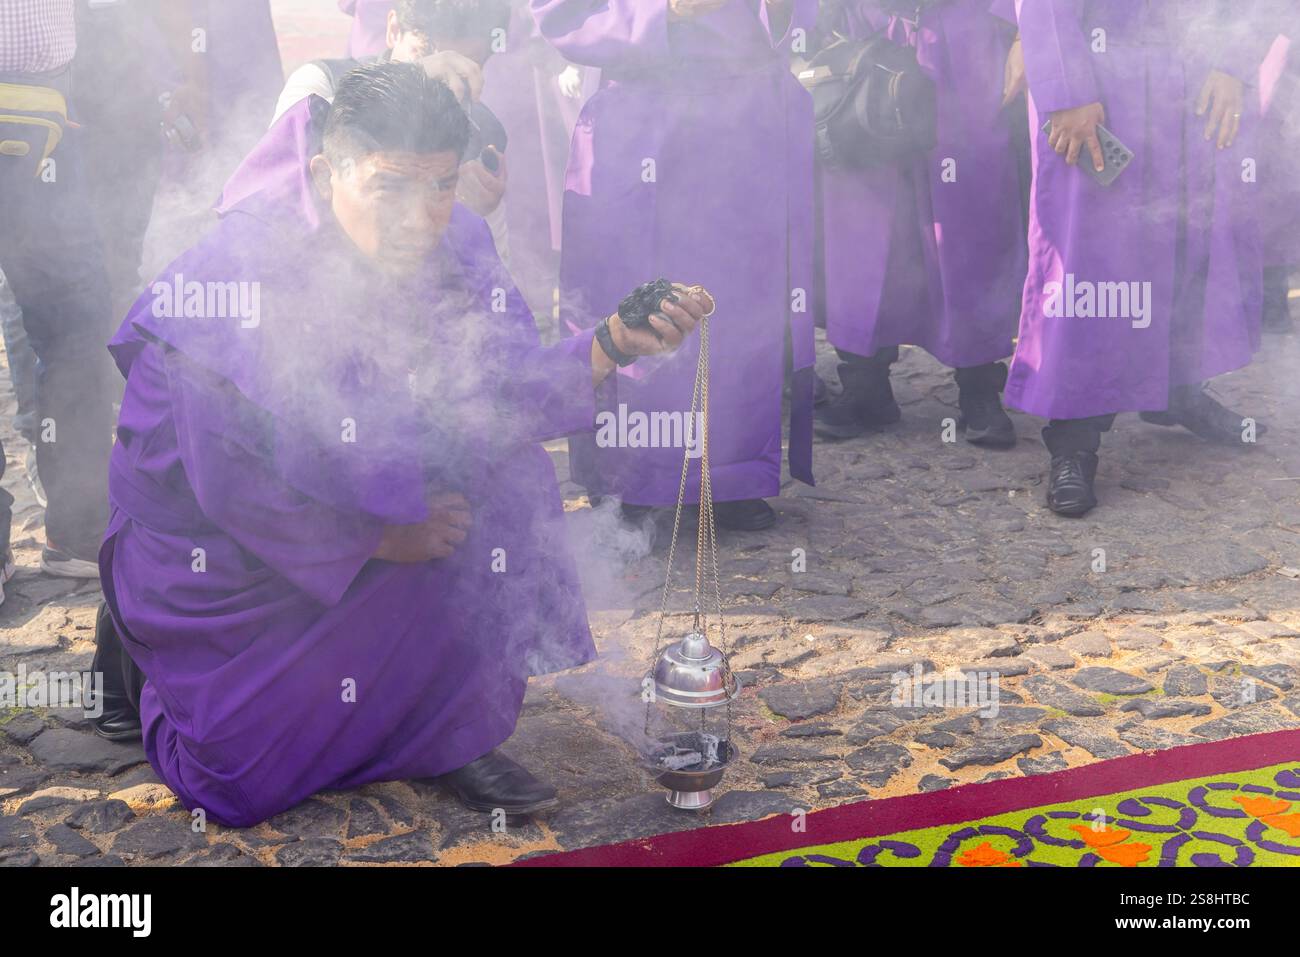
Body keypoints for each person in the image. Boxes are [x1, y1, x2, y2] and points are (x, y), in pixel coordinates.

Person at [90, 62, 710, 826]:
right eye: (389, 187)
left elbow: (499, 392)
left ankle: (450, 731)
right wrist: (376, 537)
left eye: (441, 186)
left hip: (360, 489)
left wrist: (614, 341)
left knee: (504, 482)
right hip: (220, 555)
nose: (420, 216)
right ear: (326, 172)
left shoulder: (459, 244)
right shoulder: (238, 274)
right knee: (238, 782)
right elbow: (230, 487)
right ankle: (146, 675)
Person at [533, 0, 818, 532]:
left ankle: (730, 474)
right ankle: (632, 477)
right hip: (639, 114)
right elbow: (558, 11)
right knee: (635, 296)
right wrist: (666, 9)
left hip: (745, 117)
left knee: (741, 300)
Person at [1008, 0, 1273, 517]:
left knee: (1189, 241)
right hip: (1098, 82)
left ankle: (1178, 387)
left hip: (1194, 70)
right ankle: (1073, 436)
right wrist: (1067, 89)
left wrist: (1235, 62)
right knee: (1092, 264)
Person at [812, 0, 1027, 449]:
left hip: (968, 41)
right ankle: (866, 382)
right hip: (869, 34)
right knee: (864, 221)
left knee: (970, 219)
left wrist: (1026, 37)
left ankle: (979, 386)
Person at [0, 0, 115, 578]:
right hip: (39, 97)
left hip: (47, 104)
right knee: (74, 321)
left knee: (76, 324)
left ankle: (79, 527)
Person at [272, 0, 512, 264]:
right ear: (393, 29)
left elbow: (494, 274)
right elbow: (280, 169)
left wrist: (476, 216)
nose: (443, 81)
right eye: (427, 55)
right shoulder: (322, 81)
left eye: (461, 69)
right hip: (318, 273)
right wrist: (408, 77)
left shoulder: (481, 133)